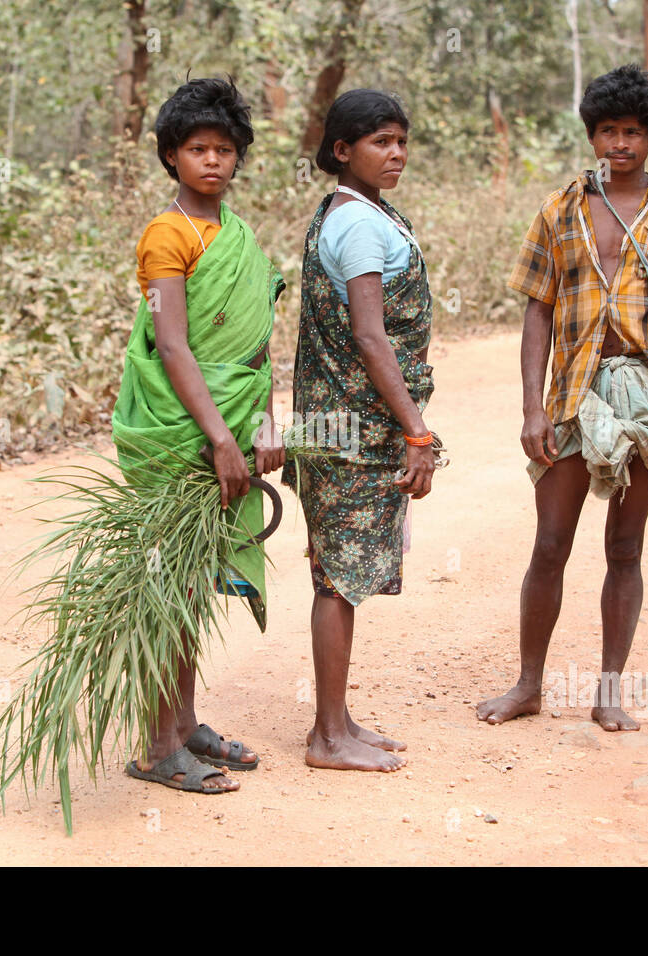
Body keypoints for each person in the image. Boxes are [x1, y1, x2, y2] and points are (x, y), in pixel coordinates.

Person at [477, 64, 648, 732]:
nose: (620, 144)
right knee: (550, 542)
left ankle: (609, 689)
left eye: (634, 132)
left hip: (647, 395)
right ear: (592, 135)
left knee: (626, 547)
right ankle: (528, 684)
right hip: (572, 394)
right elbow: (537, 310)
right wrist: (532, 407)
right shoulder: (559, 211)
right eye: (609, 131)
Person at [112, 77, 285, 792]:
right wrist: (220, 439)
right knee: (170, 585)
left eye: (224, 149)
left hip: (231, 422)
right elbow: (174, 344)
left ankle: (183, 724)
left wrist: (265, 420)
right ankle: (157, 747)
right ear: (170, 157)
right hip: (180, 429)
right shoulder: (167, 236)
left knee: (195, 578)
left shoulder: (238, 238)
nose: (212, 161)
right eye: (196, 149)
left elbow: (256, 345)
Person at [283, 89, 437, 772]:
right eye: (380, 141)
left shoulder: (356, 213)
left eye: (401, 141)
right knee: (338, 581)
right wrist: (417, 432)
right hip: (350, 428)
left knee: (336, 572)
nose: (396, 153)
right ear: (342, 150)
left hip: (337, 420)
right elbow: (371, 338)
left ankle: (338, 719)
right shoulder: (360, 225)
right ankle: (327, 737)